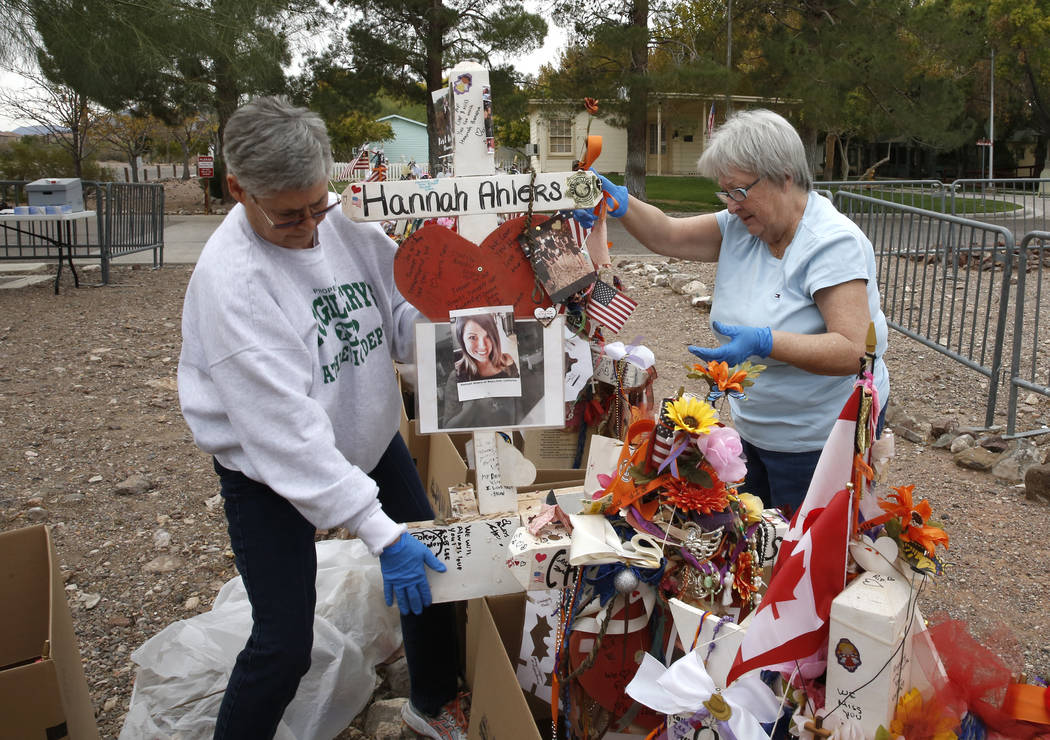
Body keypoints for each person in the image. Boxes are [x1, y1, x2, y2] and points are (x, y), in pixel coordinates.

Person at [177, 96, 467, 740]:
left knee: (430, 563)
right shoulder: (236, 287)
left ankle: (433, 699)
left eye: (318, 205)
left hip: (368, 438)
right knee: (284, 642)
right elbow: (287, 436)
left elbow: (395, 314)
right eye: (288, 215)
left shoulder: (341, 226)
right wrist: (374, 528)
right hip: (269, 471)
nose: (309, 227)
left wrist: (447, 319)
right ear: (238, 190)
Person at [575, 109, 890, 515]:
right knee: (754, 541)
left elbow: (852, 351)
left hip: (820, 439)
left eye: (739, 191)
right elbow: (667, 234)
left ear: (784, 176)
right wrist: (620, 202)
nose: (731, 205)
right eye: (725, 193)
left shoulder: (832, 243)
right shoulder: (743, 226)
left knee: (806, 555)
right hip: (755, 431)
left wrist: (766, 342)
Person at [453, 313, 519, 382]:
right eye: (472, 337)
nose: (483, 346)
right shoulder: (456, 375)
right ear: (462, 340)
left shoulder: (507, 360)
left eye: (488, 336)